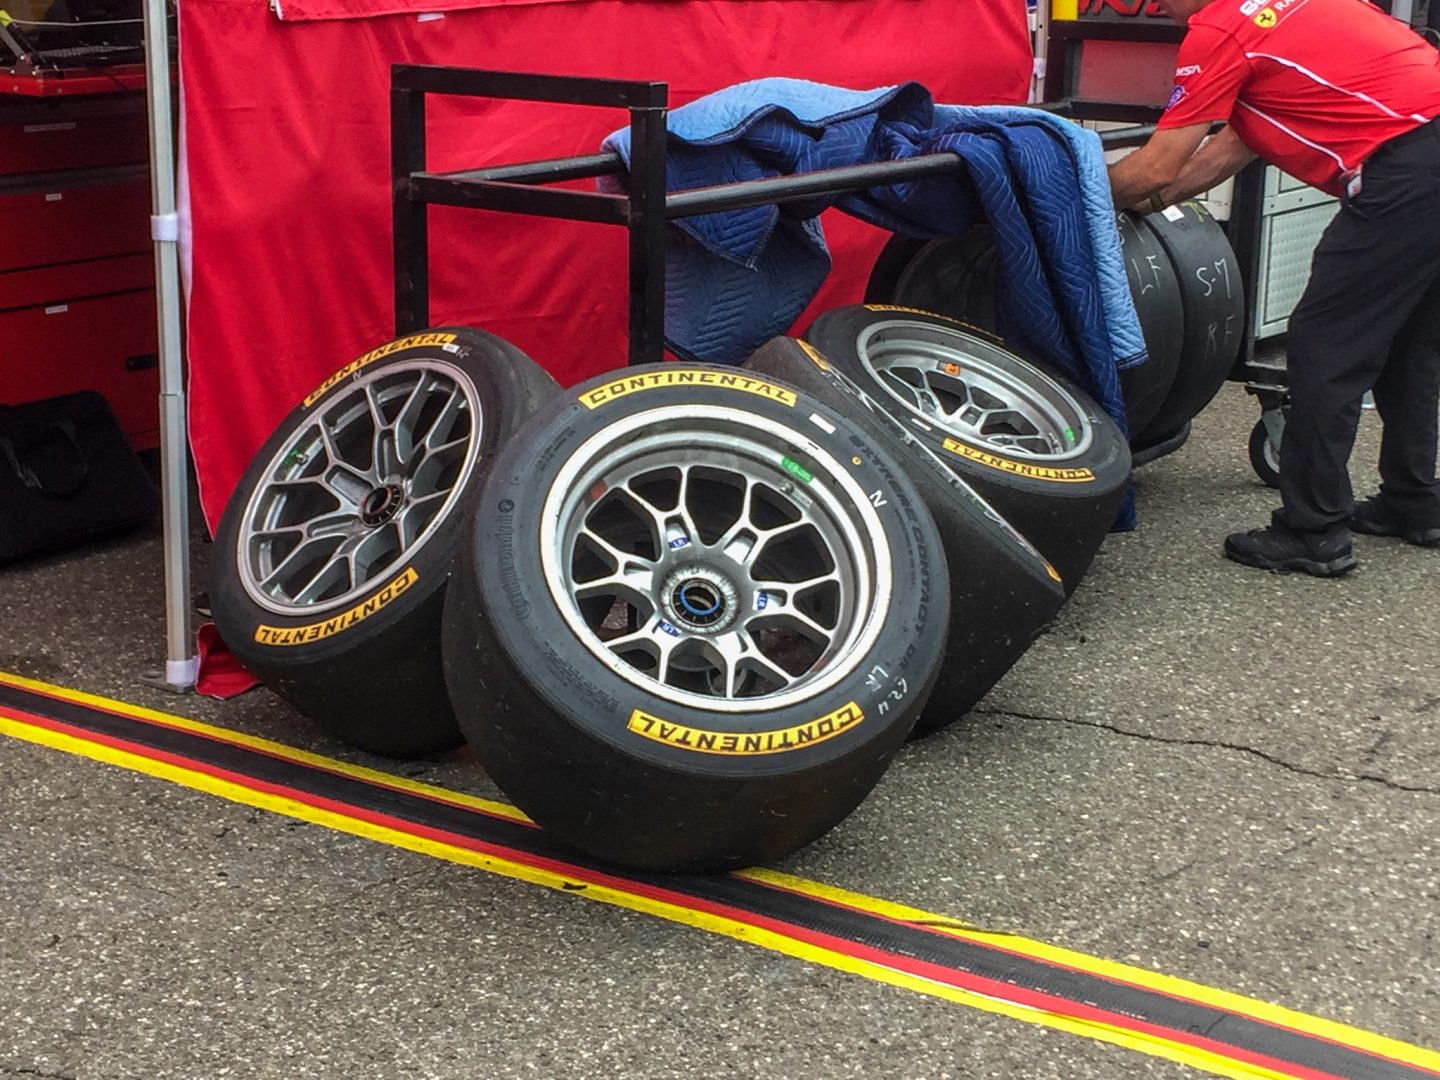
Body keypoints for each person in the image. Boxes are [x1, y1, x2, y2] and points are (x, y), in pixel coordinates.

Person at [1108, 0, 1440, 577]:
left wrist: (1073, 197)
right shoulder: (1289, 13)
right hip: (1426, 146)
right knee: (1411, 343)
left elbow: (1158, 166)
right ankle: (1415, 502)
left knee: (1325, 348)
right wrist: (1145, 204)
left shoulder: (1221, 29)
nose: (1153, 7)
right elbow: (1225, 153)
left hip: (1410, 166)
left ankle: (1313, 532)